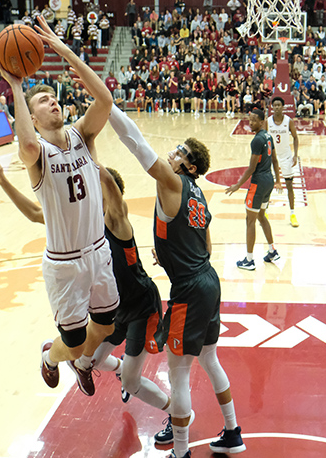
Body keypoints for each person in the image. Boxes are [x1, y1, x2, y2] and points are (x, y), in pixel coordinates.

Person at [0, 148, 176, 442]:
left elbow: (111, 191)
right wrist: (3, 180)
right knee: (87, 360)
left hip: (140, 308)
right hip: (111, 308)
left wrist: (88, 161)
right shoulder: (77, 224)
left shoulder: (116, 222)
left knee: (133, 383)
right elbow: (35, 213)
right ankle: (110, 367)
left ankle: (176, 414)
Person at [106, 104, 245, 458]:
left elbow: (135, 142)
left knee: (178, 373)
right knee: (210, 359)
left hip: (190, 289)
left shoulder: (172, 181)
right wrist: (173, 252)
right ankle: (232, 432)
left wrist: (105, 104)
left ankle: (180, 452)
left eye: (181, 152)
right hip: (208, 280)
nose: (173, 152)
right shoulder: (198, 194)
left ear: (190, 167)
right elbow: (207, 245)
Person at [0, 14, 119, 397]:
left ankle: (81, 363)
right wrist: (17, 86)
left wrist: (61, 48)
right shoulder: (38, 153)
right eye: (43, 101)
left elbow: (106, 100)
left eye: (54, 98)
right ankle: (52, 357)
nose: (53, 102)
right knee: (77, 339)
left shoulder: (82, 135)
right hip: (64, 263)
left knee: (109, 323)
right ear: (32, 117)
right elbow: (27, 144)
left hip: (98, 251)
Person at [226, 107, 282, 270]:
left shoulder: (257, 140)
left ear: (262, 121)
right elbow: (275, 160)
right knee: (262, 217)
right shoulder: (268, 136)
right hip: (269, 181)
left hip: (258, 183)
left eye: (254, 120)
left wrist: (237, 185)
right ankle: (272, 251)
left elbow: (251, 168)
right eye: (249, 120)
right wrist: (277, 180)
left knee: (250, 220)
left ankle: (249, 260)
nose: (250, 123)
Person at [265, 97, 301, 228]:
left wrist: (296, 155)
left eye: (279, 105)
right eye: (275, 105)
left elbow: (296, 138)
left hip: (286, 156)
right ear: (272, 107)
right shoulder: (268, 121)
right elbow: (263, 137)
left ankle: (292, 214)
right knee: (268, 185)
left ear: (283, 107)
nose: (277, 107)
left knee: (289, 185)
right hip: (271, 156)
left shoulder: (288, 121)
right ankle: (266, 212)